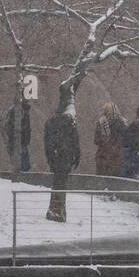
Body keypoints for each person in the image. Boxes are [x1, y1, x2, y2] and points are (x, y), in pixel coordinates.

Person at [43, 86, 80, 222]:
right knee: (62, 183)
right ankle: (59, 210)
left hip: (56, 156)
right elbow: (75, 141)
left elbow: (47, 143)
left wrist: (50, 157)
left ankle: (55, 209)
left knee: (57, 183)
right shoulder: (70, 122)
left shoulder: (51, 122)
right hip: (65, 157)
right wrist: (76, 156)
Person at [92, 103, 126, 177]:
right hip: (117, 157)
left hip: (103, 157)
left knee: (102, 180)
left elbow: (96, 140)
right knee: (116, 182)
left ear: (105, 111)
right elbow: (125, 140)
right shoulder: (123, 122)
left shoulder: (100, 122)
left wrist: (105, 141)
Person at [5, 99, 32, 172]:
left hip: (21, 143)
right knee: (22, 166)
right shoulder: (16, 111)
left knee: (24, 166)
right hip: (18, 143)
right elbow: (8, 127)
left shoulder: (22, 111)